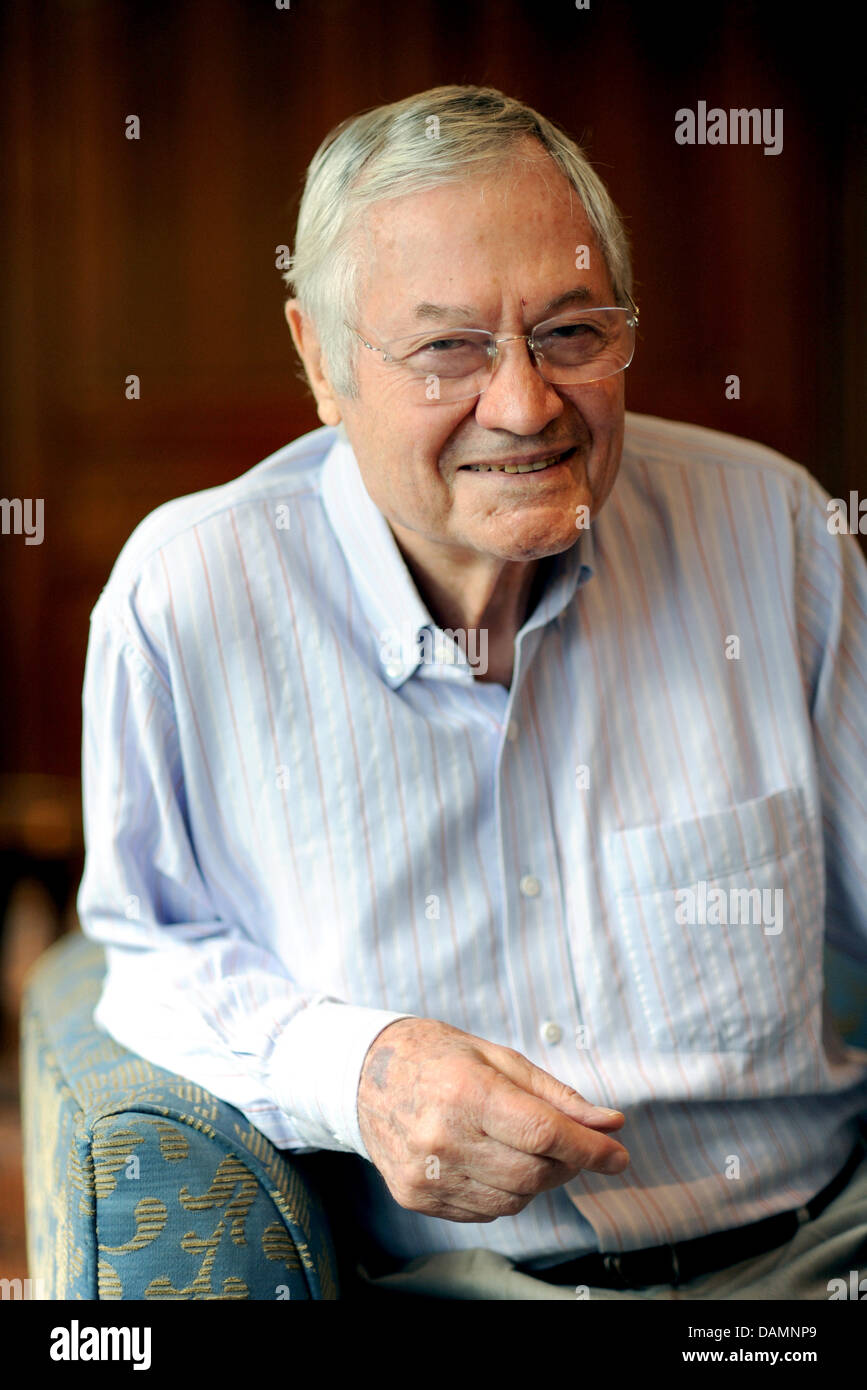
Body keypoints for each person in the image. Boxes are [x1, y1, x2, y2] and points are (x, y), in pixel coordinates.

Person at [77, 85, 867, 1301]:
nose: (524, 404)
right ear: (321, 359)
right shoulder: (188, 600)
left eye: (572, 331)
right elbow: (148, 942)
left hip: (817, 1256)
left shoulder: (778, 533)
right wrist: (359, 1065)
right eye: (449, 347)